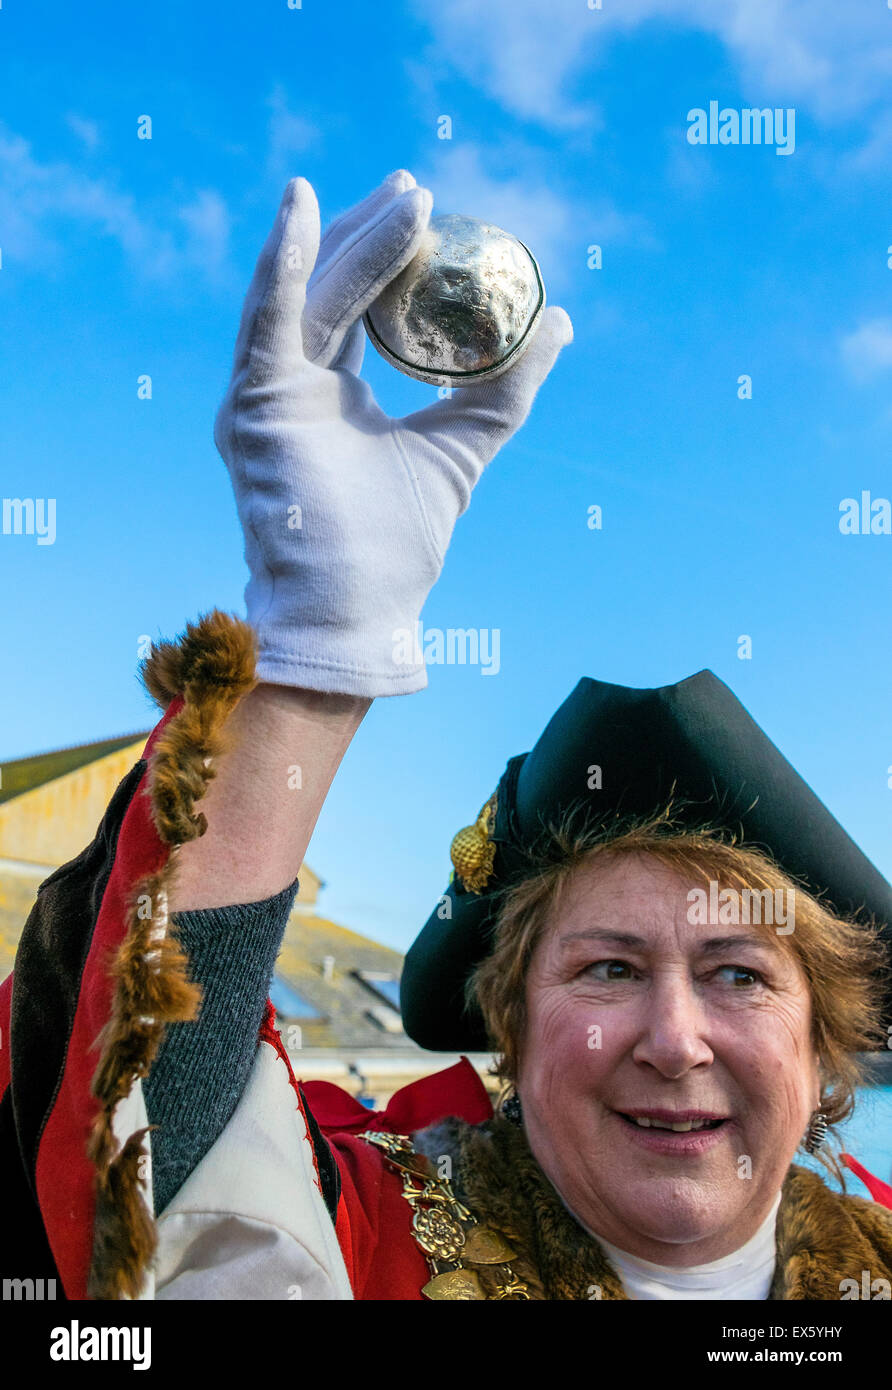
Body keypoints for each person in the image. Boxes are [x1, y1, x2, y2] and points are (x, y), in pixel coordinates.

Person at [1, 171, 890, 1301]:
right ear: (509, 1028)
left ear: (824, 1054)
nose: (675, 1042)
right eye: (608, 967)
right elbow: (128, 1168)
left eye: (740, 973)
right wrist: (316, 650)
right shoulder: (364, 1233)